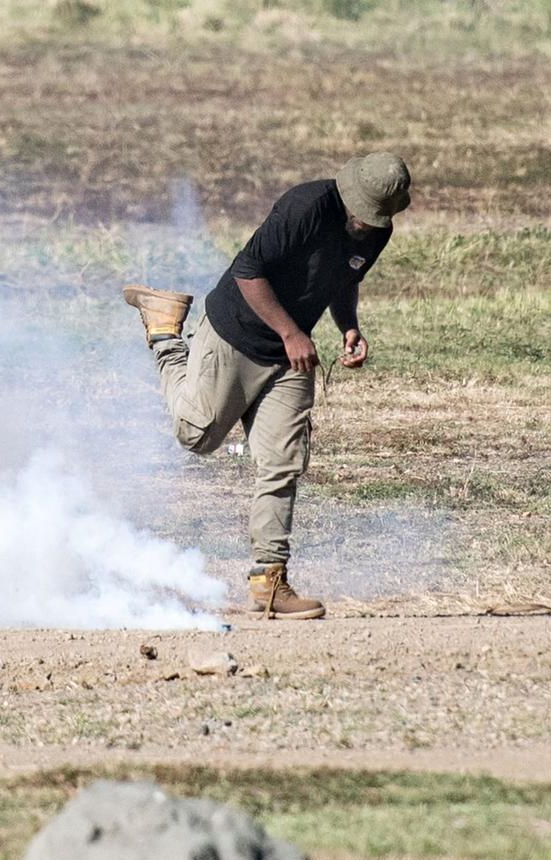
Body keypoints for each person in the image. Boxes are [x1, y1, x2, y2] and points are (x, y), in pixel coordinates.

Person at [125, 150, 412, 621]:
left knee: (282, 462)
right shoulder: (304, 207)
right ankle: (165, 335)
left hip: (289, 358)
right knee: (196, 435)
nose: (368, 225)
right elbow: (248, 273)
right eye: (363, 213)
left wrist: (349, 326)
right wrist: (292, 332)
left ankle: (270, 581)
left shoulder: (377, 229)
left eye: (377, 217)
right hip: (236, 331)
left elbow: (345, 278)